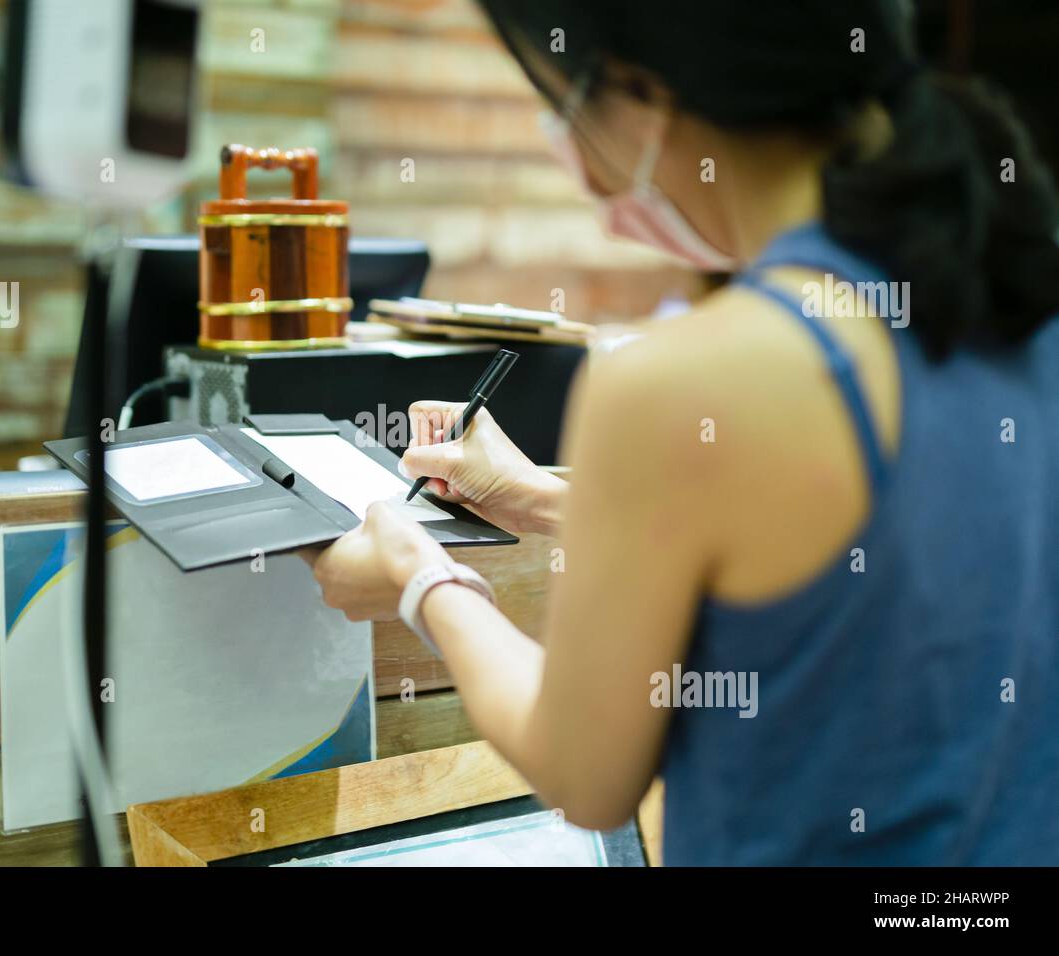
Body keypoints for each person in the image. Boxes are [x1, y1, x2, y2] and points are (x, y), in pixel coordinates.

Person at [308, 0, 1059, 864]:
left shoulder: (678, 379)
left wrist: (417, 572)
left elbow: (583, 772)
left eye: (563, 102)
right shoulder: (1013, 304)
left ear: (639, 92)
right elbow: (853, 541)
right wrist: (543, 498)